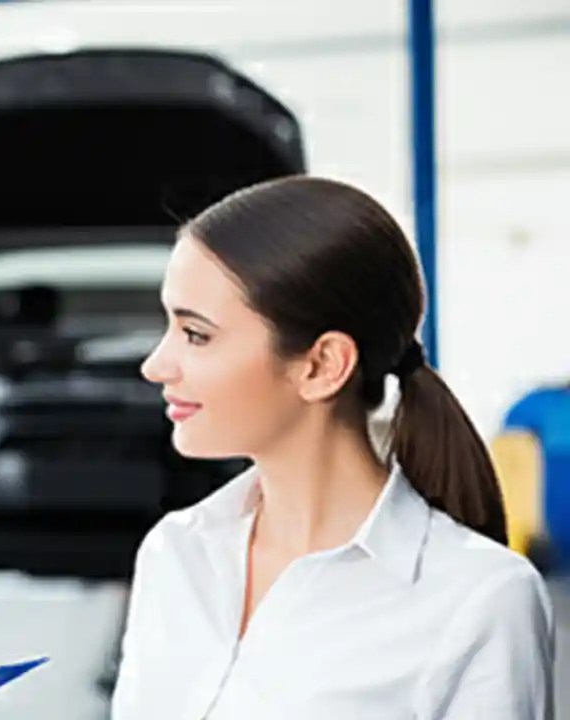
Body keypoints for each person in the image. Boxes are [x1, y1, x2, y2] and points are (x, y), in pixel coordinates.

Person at [111, 176, 555, 718]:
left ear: (322, 366)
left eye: (196, 334)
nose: (155, 365)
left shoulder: (482, 599)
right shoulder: (175, 554)